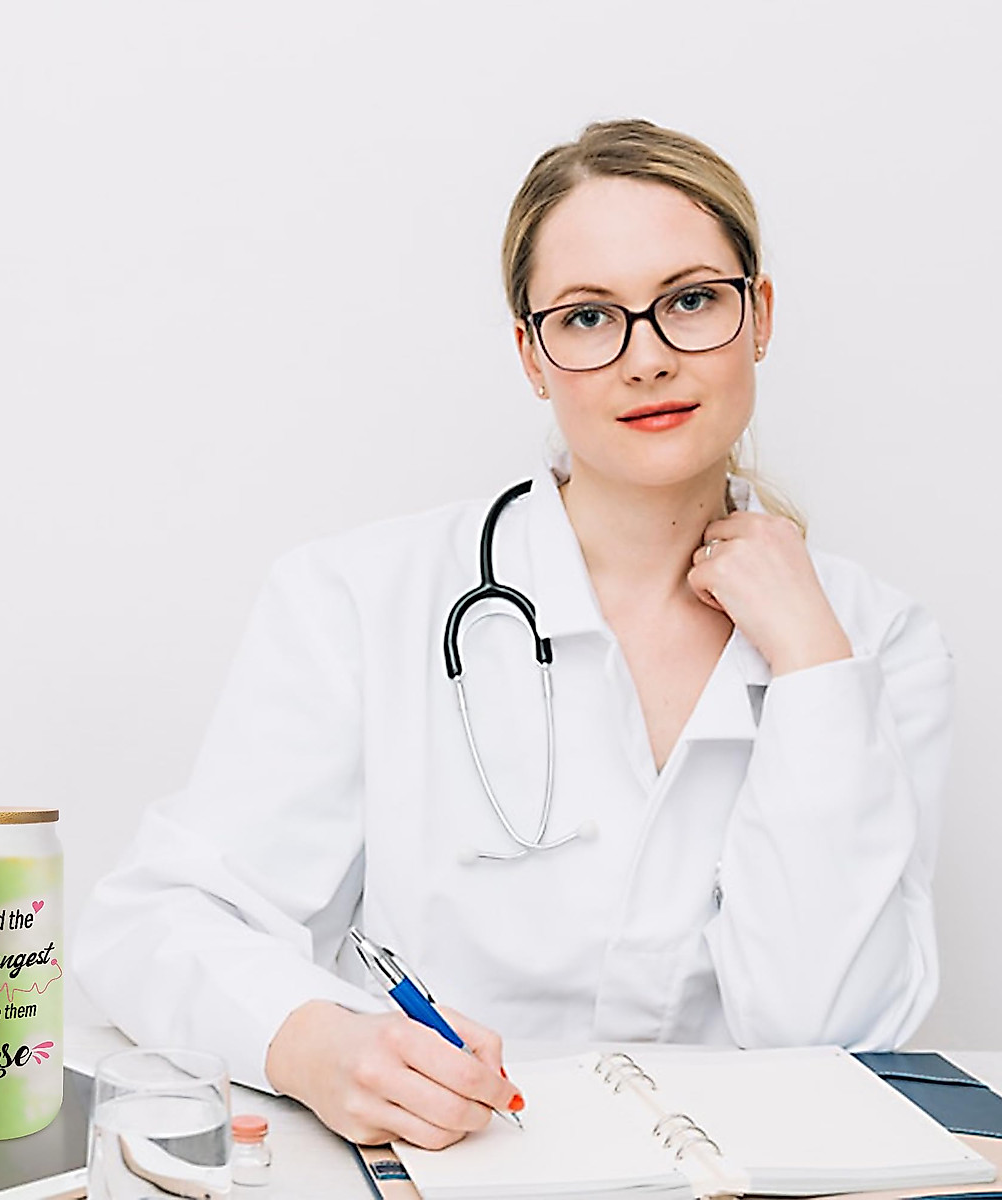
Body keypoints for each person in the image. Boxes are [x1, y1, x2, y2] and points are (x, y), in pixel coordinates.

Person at [73, 119, 953, 1151]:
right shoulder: (360, 599)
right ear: (533, 354)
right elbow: (153, 920)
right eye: (588, 318)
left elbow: (831, 1039)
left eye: (691, 301)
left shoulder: (874, 644)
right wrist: (313, 1043)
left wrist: (811, 664)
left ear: (758, 315)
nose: (647, 358)